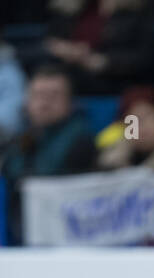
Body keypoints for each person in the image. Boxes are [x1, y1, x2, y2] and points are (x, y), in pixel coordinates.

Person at [0, 65, 94, 243]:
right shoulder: (19, 137)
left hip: (63, 238)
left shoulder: (81, 140)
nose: (44, 103)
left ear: (70, 102)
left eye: (54, 96)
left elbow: (43, 176)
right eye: (38, 95)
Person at [40, 0, 154, 97]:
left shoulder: (136, 11)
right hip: (71, 78)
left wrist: (103, 62)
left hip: (116, 85)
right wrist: (62, 49)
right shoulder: (70, 10)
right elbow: (48, 41)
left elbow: (146, 57)